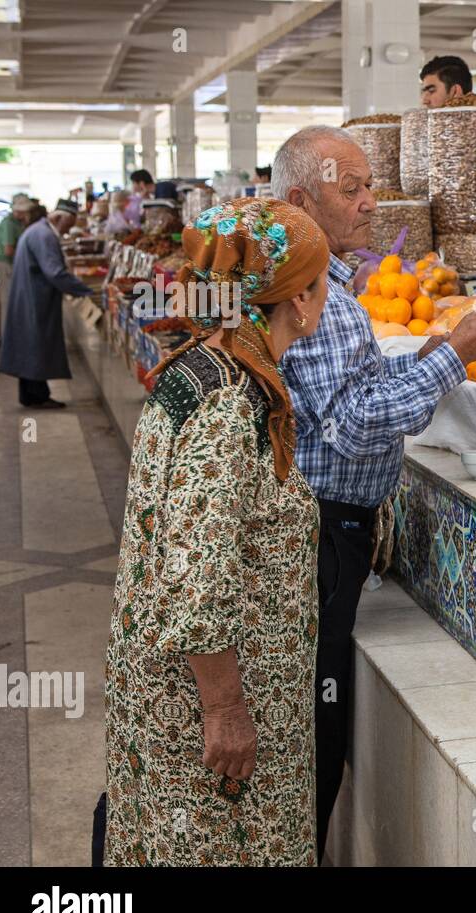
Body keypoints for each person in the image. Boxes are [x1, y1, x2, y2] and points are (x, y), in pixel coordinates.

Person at [272, 125, 476, 861]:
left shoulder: (336, 288)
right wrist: (457, 361)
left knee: (322, 716)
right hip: (320, 533)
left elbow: (363, 386)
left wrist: (443, 347)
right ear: (297, 200)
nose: (370, 204)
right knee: (312, 726)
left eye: (369, 186)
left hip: (338, 532)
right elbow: (352, 425)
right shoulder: (306, 297)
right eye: (350, 190)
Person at [104, 197, 331, 866]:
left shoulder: (200, 366)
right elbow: (200, 573)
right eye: (321, 281)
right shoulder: (230, 403)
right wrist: (224, 710)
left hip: (170, 682)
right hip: (212, 705)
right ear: (299, 300)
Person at [0, 199, 95, 408]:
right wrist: (86, 291)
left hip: (30, 295)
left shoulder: (37, 230)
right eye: (67, 226)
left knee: (30, 344)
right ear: (59, 218)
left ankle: (31, 395)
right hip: (36, 299)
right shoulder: (44, 235)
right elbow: (55, 272)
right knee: (35, 344)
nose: (67, 231)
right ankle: (38, 396)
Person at [0, 193, 31, 347]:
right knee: (7, 301)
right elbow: (9, 250)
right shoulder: (9, 224)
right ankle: (8, 339)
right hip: (7, 265)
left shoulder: (17, 223)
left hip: (13, 264)